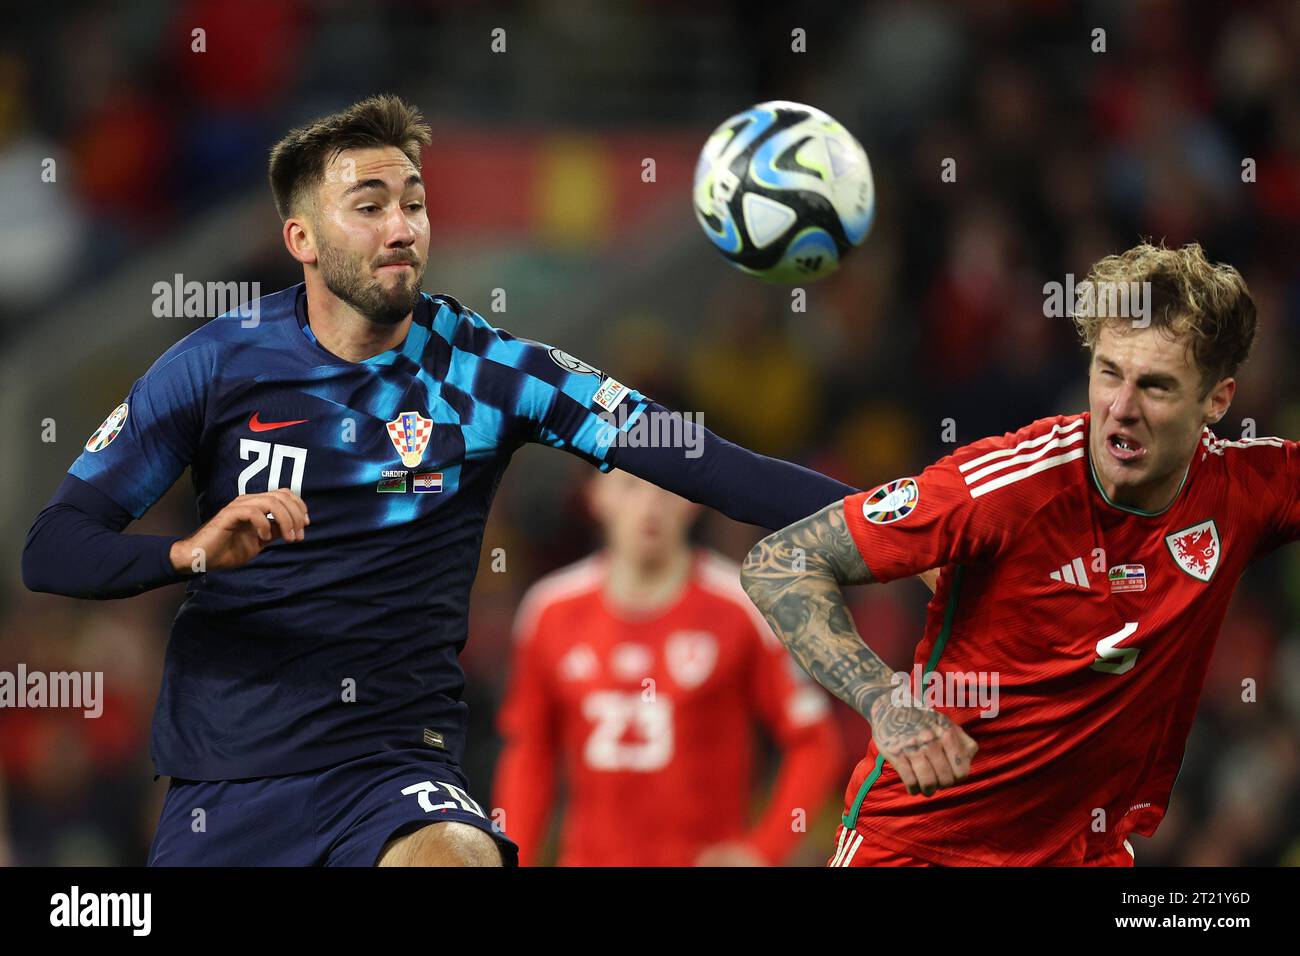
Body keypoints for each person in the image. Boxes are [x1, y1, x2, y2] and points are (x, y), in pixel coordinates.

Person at [21, 95, 858, 867]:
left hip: (389, 765)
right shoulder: (215, 365)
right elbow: (53, 550)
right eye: (370, 205)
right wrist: (188, 554)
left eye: (414, 203)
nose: (402, 227)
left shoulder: (487, 373)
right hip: (222, 780)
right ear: (302, 239)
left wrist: (897, 518)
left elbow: (700, 459)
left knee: (454, 856)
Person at [741, 241, 1287, 866]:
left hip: (1080, 852)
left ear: (1216, 402)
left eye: (1156, 386)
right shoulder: (1007, 486)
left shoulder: (1245, 489)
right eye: (1108, 372)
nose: (1121, 408)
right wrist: (884, 699)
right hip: (922, 848)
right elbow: (781, 562)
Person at [494, 469, 841, 866]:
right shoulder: (549, 612)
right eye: (630, 486)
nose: (649, 505)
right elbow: (528, 752)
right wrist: (515, 856)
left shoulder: (743, 608)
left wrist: (763, 851)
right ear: (596, 496)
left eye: (667, 488)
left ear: (692, 499)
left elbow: (814, 741)